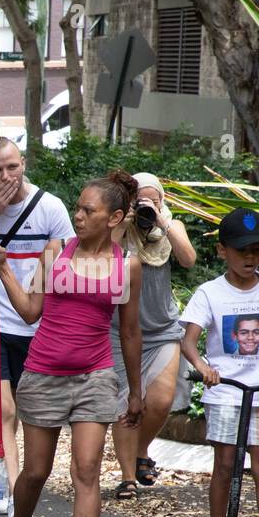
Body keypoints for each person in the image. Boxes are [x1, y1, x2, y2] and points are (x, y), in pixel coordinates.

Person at [0, 170, 143, 517]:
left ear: (114, 217)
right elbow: (28, 313)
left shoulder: (127, 265)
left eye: (87, 210)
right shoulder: (54, 253)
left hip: (96, 377)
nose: (77, 215)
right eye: (77, 208)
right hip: (42, 374)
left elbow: (130, 333)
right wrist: (4, 269)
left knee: (87, 471)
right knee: (36, 472)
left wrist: (135, 391)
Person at [179, 207, 259, 517]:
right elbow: (188, 340)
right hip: (226, 394)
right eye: (241, 251)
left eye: (256, 249)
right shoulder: (210, 293)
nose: (250, 258)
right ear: (222, 251)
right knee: (224, 465)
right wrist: (203, 365)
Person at [0, 138, 74, 517]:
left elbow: (61, 267)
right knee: (4, 409)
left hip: (36, 324)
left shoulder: (50, 208)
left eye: (12, 168)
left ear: (24, 163)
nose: (5, 177)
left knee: (29, 412)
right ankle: (13, 490)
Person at [109, 172, 197, 499]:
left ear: (162, 200)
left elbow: (188, 259)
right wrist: (124, 220)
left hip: (161, 329)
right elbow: (102, 254)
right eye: (139, 200)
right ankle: (128, 477)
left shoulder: (171, 226)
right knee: (125, 404)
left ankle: (140, 449)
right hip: (119, 331)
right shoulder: (120, 229)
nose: (146, 205)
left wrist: (160, 219)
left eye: (152, 199)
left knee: (160, 401)